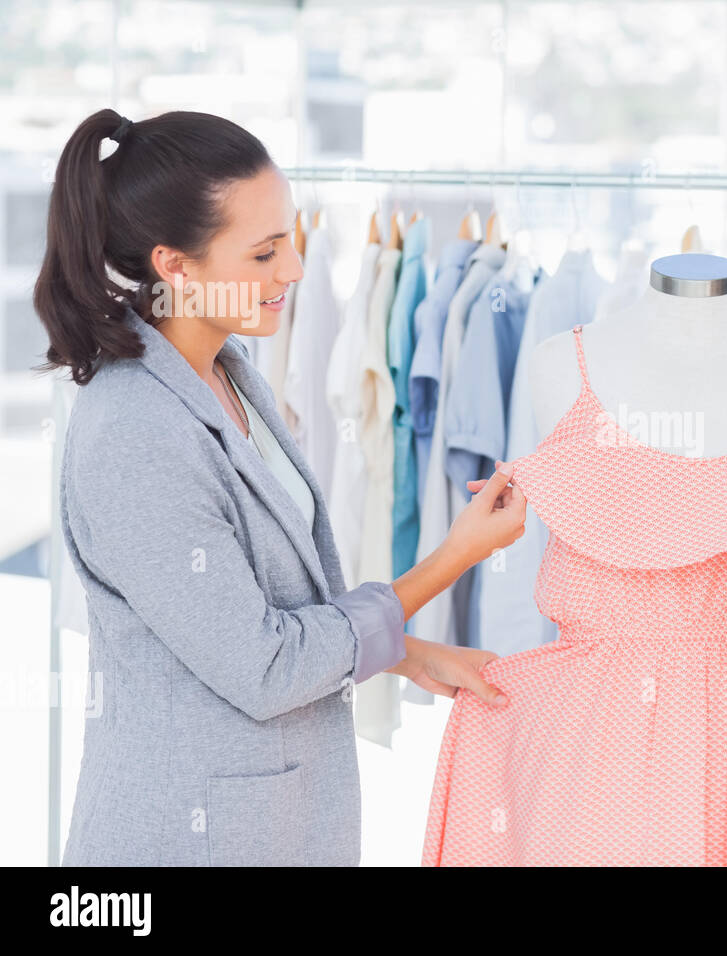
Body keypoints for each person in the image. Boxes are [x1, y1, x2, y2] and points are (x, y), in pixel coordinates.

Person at [34, 108, 524, 865]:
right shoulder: (135, 432)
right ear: (176, 266)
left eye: (289, 241)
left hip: (271, 825)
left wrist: (405, 650)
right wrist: (452, 560)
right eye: (264, 254)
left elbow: (258, 607)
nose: (293, 270)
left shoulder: (232, 372)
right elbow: (263, 664)